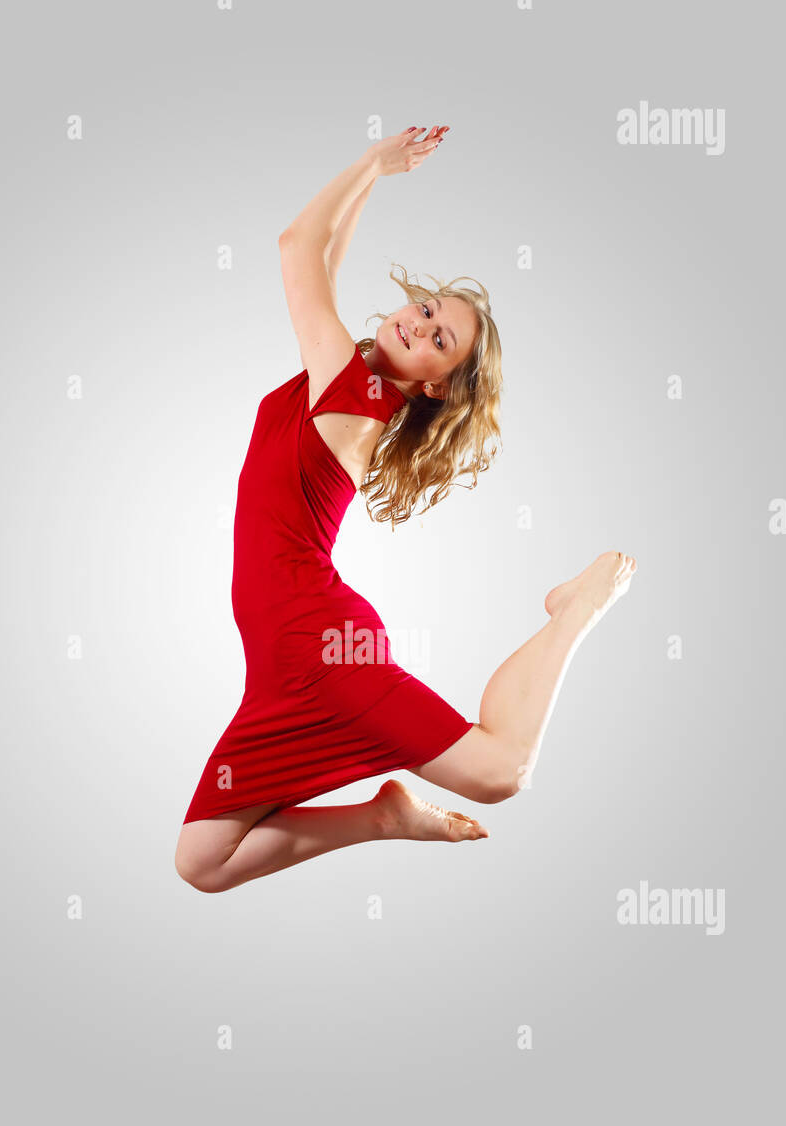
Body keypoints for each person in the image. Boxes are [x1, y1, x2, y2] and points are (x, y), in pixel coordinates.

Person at [175, 126, 636, 893]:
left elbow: (296, 246)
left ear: (435, 384)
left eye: (439, 337)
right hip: (282, 661)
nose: (418, 323)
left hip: (321, 650)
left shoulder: (352, 395)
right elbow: (323, 258)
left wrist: (370, 165)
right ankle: (383, 817)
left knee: (501, 770)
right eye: (425, 309)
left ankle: (574, 609)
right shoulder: (351, 372)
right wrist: (374, 183)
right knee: (202, 862)